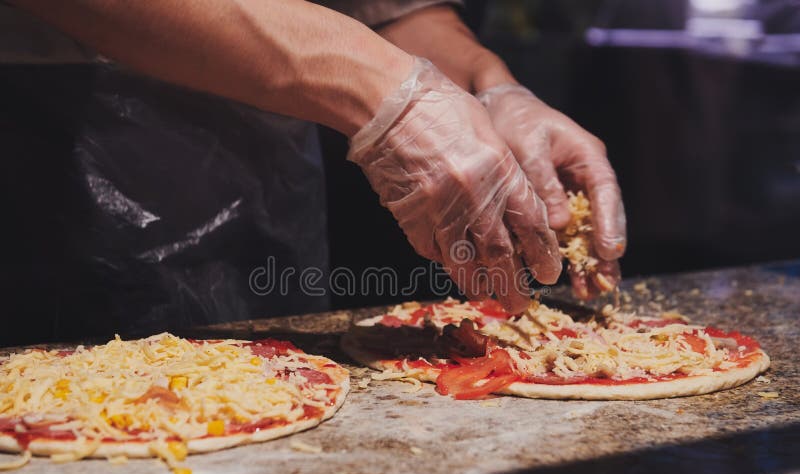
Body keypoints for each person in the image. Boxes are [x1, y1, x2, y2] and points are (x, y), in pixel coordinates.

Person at [3, 1, 625, 344]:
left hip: (272, 185)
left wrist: (491, 90)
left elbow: (389, 11)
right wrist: (387, 91)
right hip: (59, 153)